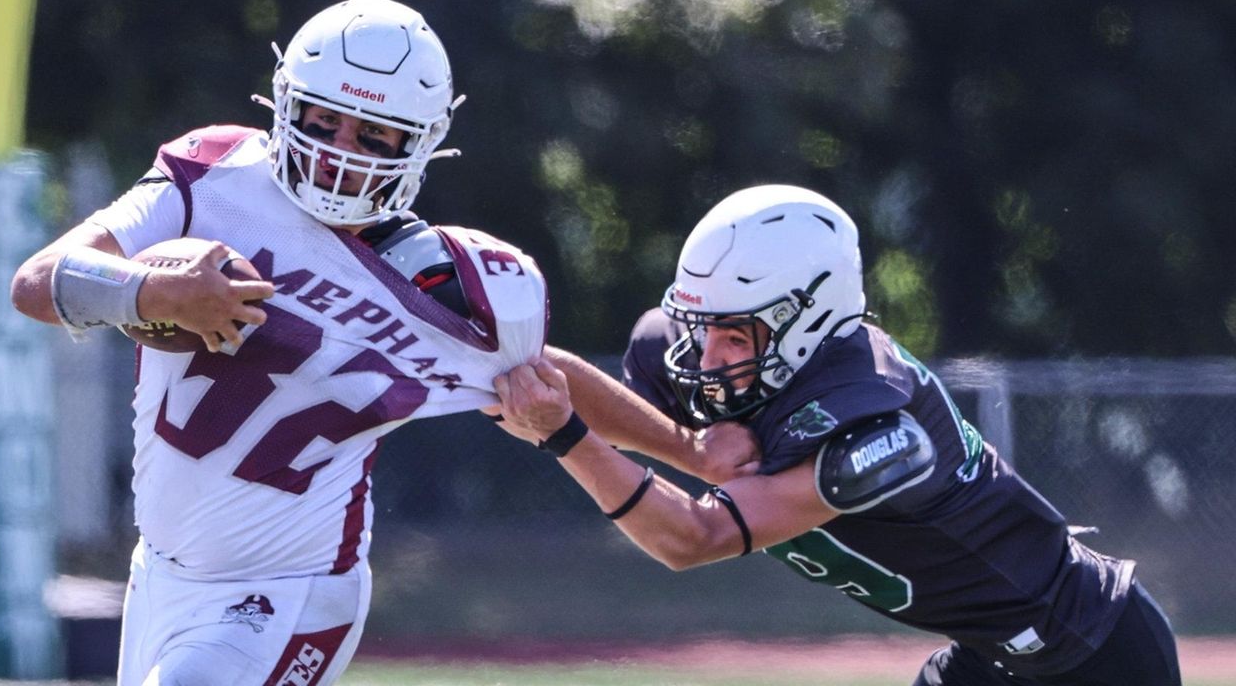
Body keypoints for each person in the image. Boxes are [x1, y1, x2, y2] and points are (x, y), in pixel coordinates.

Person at [11, 0, 549, 686]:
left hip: (291, 592)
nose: (339, 153)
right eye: (326, 122)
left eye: (374, 136)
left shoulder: (427, 275)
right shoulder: (215, 175)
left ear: (420, 143)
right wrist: (154, 293)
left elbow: (540, 377)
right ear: (287, 105)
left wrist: (665, 456)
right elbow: (37, 282)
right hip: (163, 571)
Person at [494, 185, 1182, 686]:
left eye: (734, 335)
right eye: (703, 329)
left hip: (1091, 656)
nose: (704, 360)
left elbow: (693, 538)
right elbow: (538, 369)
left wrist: (567, 439)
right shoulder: (728, 353)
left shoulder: (879, 429)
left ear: (809, 320)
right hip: (987, 656)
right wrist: (687, 447)